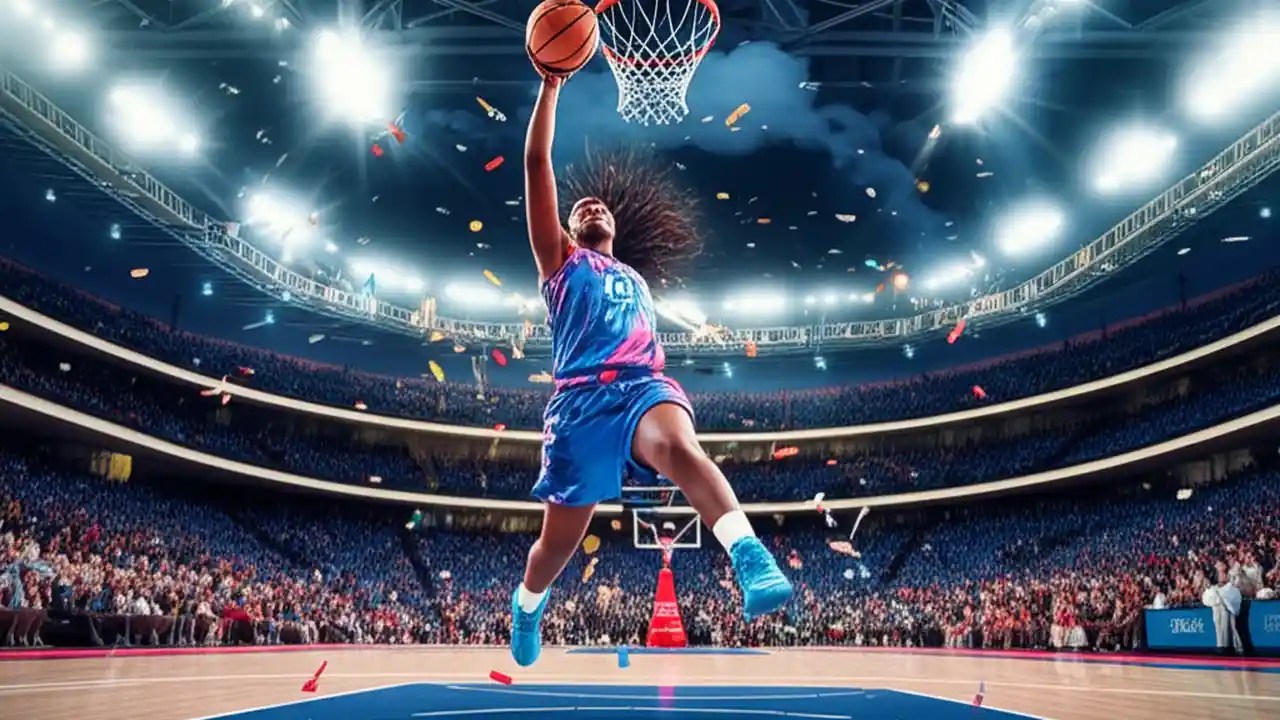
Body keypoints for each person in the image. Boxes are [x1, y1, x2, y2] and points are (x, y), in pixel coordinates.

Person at [510, 70, 792, 666]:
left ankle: (748, 555)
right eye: (582, 206)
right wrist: (552, 86)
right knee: (554, 549)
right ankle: (529, 603)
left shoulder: (635, 279)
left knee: (680, 448)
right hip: (579, 402)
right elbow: (537, 162)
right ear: (570, 228)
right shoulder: (559, 261)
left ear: (615, 228)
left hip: (642, 386)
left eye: (601, 207)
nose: (592, 207)